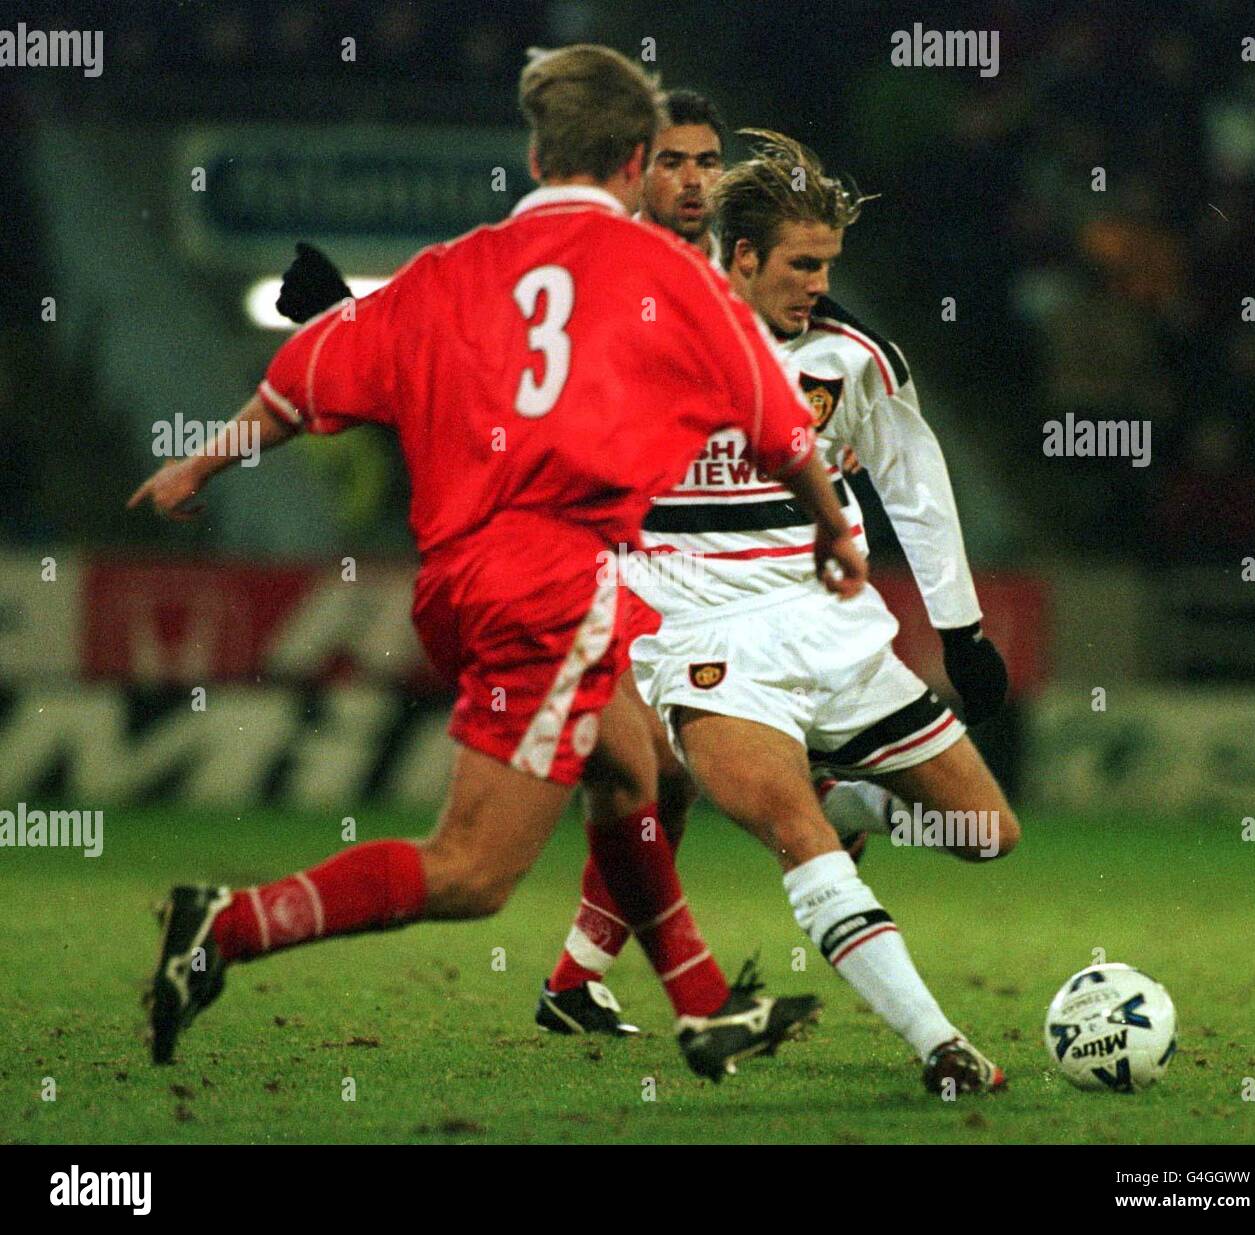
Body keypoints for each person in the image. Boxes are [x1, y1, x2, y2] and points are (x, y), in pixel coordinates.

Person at [128, 47, 865, 1079]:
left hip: (457, 579)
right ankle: (228, 924)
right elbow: (774, 415)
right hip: (550, 582)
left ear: (534, 152)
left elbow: (308, 369)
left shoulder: (448, 268)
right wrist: (832, 525)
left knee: (630, 765)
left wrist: (201, 462)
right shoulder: (664, 273)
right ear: (635, 158)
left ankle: (702, 1007)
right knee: (471, 872)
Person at [557, 131, 1019, 1094]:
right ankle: (941, 1045)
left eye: (828, 264)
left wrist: (962, 629)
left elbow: (917, 485)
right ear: (741, 257)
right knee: (799, 843)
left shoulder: (851, 360)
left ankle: (841, 791)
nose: (818, 283)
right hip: (710, 643)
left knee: (985, 833)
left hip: (836, 632)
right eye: (802, 265)